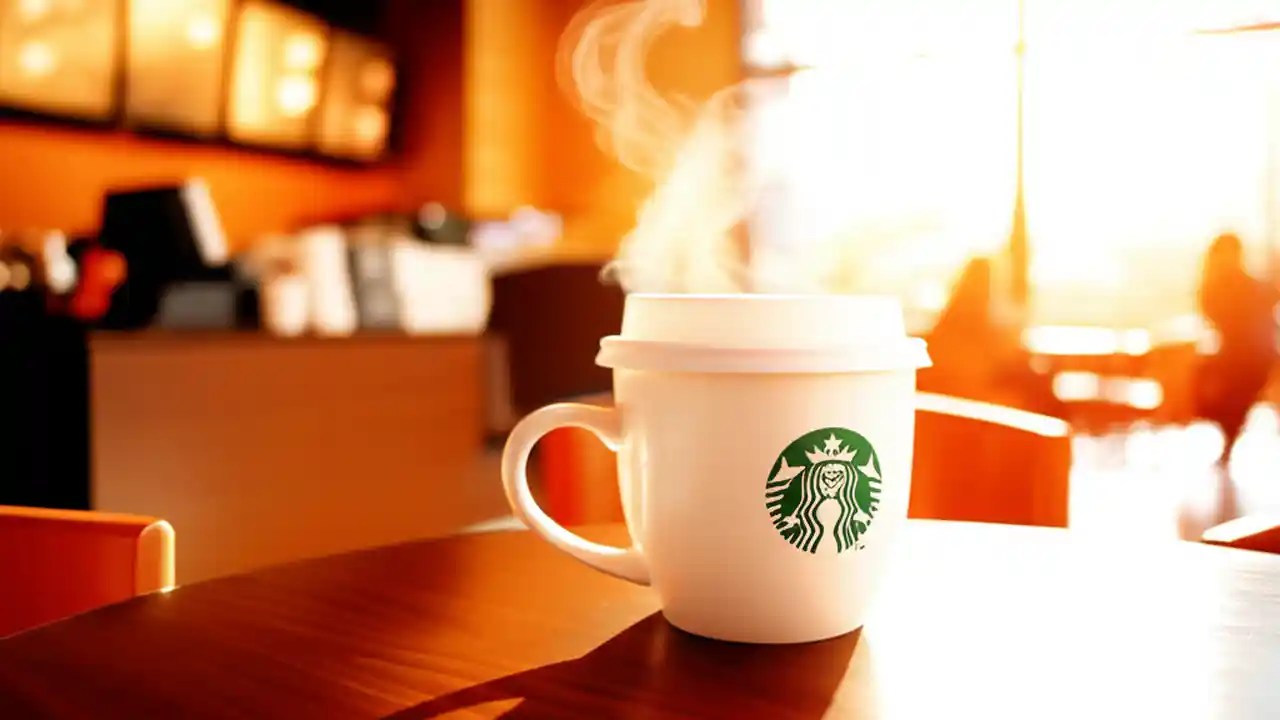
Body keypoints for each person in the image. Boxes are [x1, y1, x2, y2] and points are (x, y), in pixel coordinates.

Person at [1196, 233, 1277, 465]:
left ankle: (1228, 444)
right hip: (1236, 357)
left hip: (1252, 357)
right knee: (1223, 401)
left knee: (1233, 401)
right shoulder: (1220, 285)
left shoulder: (1248, 285)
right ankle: (1228, 442)